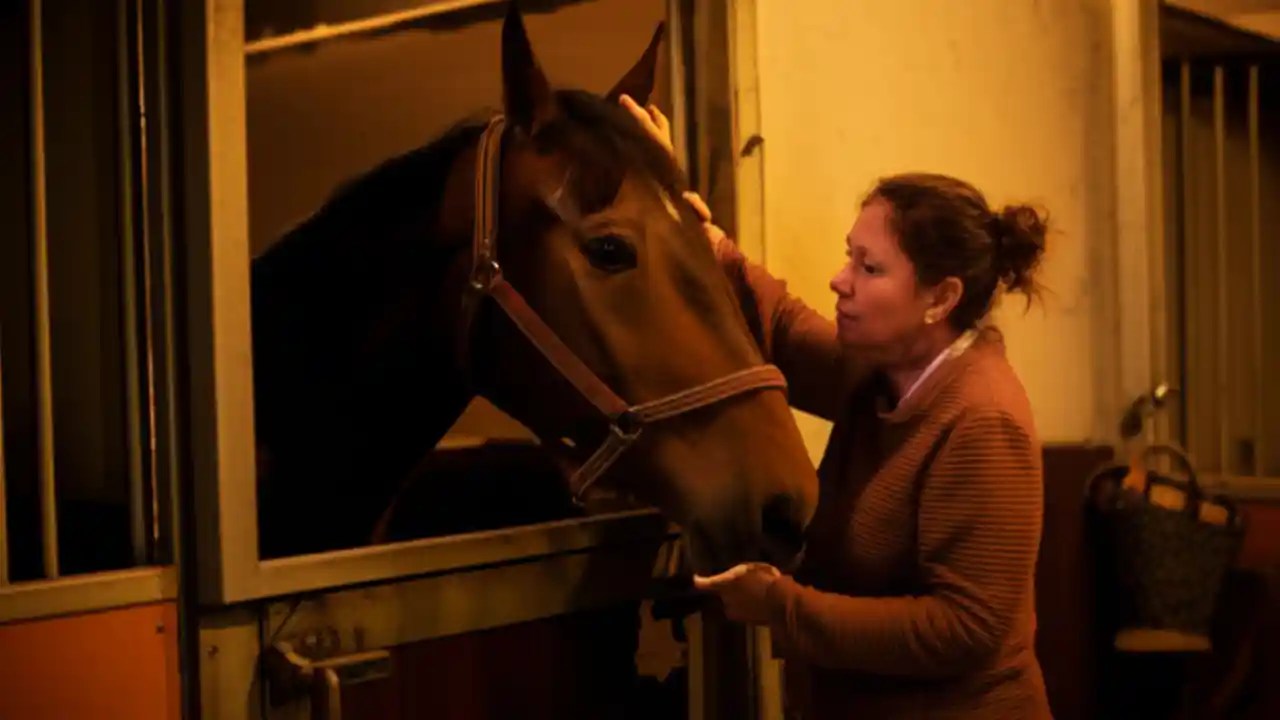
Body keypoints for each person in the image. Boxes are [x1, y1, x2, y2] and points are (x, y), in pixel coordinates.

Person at [620, 95, 1054, 719]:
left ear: (941, 298)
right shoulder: (880, 372)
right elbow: (777, 319)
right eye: (850, 255)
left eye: (869, 267)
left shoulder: (982, 418)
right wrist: (668, 192)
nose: (839, 279)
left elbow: (964, 629)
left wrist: (780, 606)